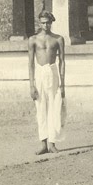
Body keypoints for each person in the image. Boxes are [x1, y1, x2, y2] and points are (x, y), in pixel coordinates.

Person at [28, 11, 66, 155]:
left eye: (48, 22)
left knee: (54, 108)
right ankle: (43, 143)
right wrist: (31, 85)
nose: (46, 25)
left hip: (53, 72)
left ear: (52, 22)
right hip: (40, 74)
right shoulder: (33, 40)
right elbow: (30, 64)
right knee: (41, 108)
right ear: (39, 22)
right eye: (43, 22)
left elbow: (62, 61)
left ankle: (52, 143)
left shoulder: (58, 39)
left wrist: (63, 84)